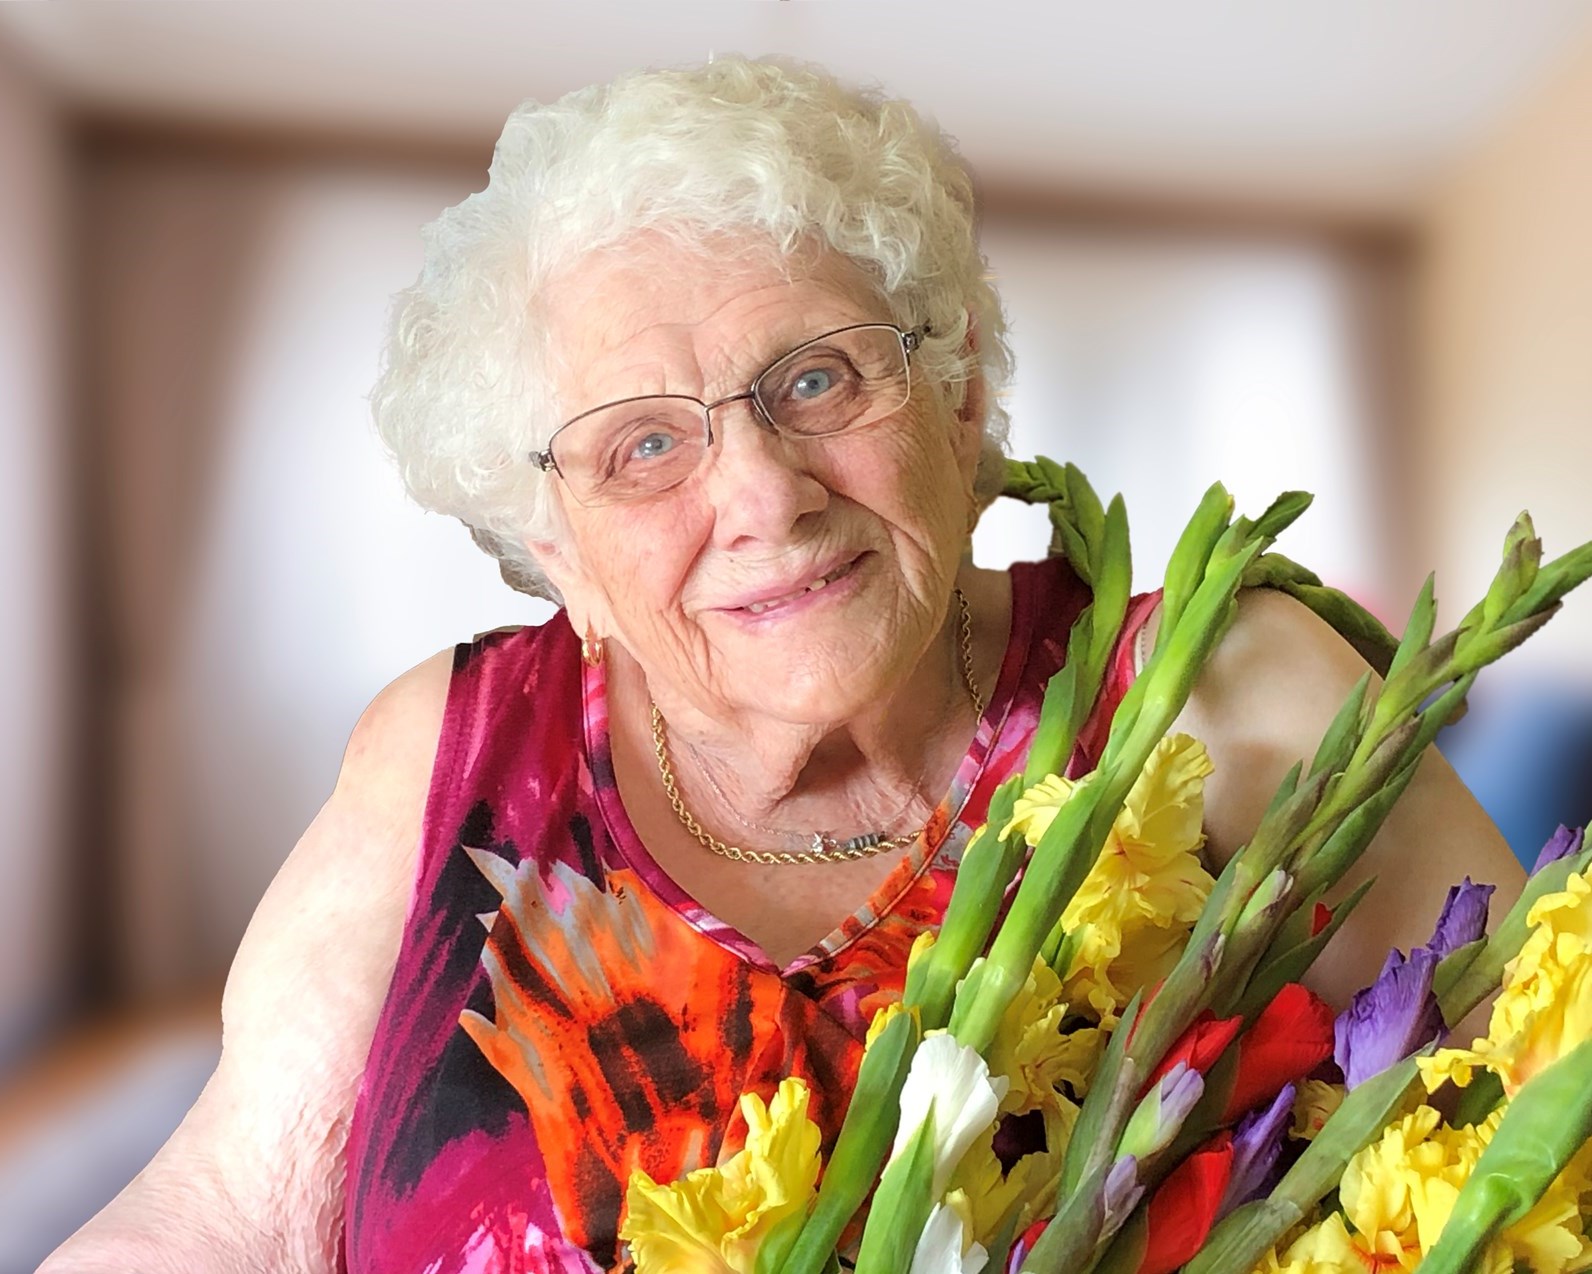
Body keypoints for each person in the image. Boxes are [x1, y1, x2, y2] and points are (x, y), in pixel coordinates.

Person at [44, 56, 1522, 1274]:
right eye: (644, 445)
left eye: (813, 378)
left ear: (961, 403)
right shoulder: (452, 747)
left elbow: (1547, 1108)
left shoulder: (1220, 692)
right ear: (557, 550)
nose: (759, 492)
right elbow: (218, 1211)